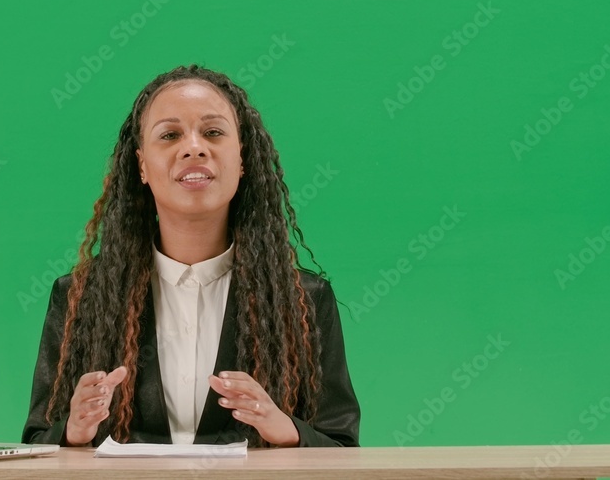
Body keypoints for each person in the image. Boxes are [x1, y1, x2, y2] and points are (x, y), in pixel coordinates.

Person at [22, 64, 360, 448]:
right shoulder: (80, 297)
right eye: (169, 135)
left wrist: (287, 430)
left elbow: (342, 448)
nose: (194, 147)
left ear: (242, 159)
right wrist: (72, 430)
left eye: (213, 132)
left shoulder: (305, 299)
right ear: (142, 166)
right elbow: (36, 443)